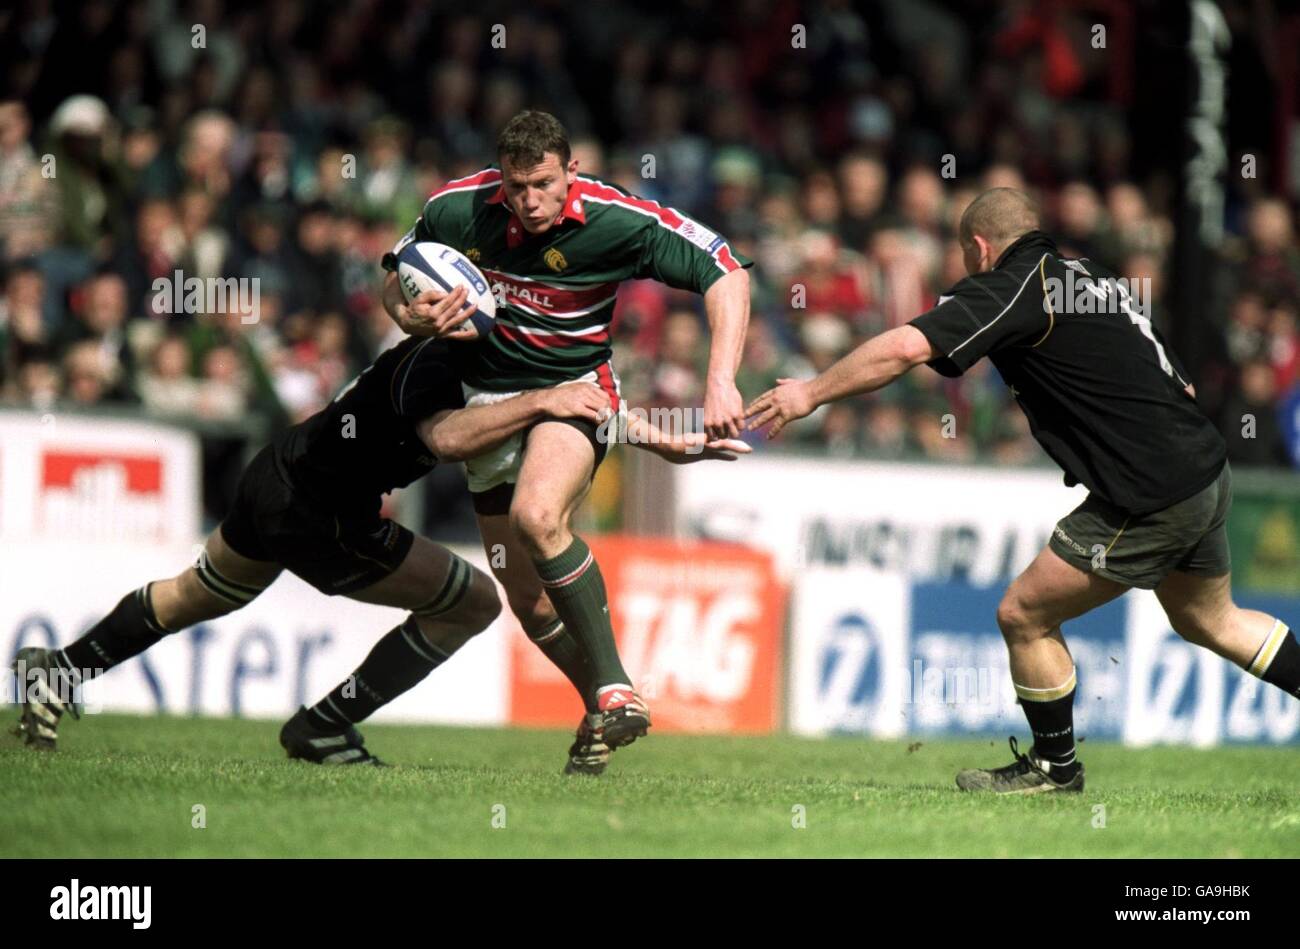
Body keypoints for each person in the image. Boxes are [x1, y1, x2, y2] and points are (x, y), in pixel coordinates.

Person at [745, 188, 1299, 794]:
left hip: (1150, 490)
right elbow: (1180, 383)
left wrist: (809, 393)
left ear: (979, 248)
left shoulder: (1013, 283)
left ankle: (1055, 769)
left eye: (963, 256)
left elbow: (906, 346)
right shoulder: (1092, 277)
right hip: (1206, 469)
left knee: (1024, 614)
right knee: (1210, 621)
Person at [13, 334, 745, 766]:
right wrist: (545, 403)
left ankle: (58, 670)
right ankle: (324, 723)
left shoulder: (440, 352)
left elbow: (578, 406)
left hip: (277, 473)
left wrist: (662, 437)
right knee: (472, 601)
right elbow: (452, 438)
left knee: (193, 592)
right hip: (323, 515)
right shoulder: (441, 367)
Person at [382, 110, 752, 770]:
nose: (530, 202)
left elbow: (726, 269)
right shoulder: (455, 210)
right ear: (501, 179)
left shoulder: (617, 220)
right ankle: (602, 711)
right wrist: (406, 311)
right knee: (527, 600)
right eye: (518, 188)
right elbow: (396, 277)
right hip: (489, 405)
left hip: (576, 393)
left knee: (537, 514)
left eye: (544, 184)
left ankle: (616, 688)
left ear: (571, 171)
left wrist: (720, 380)